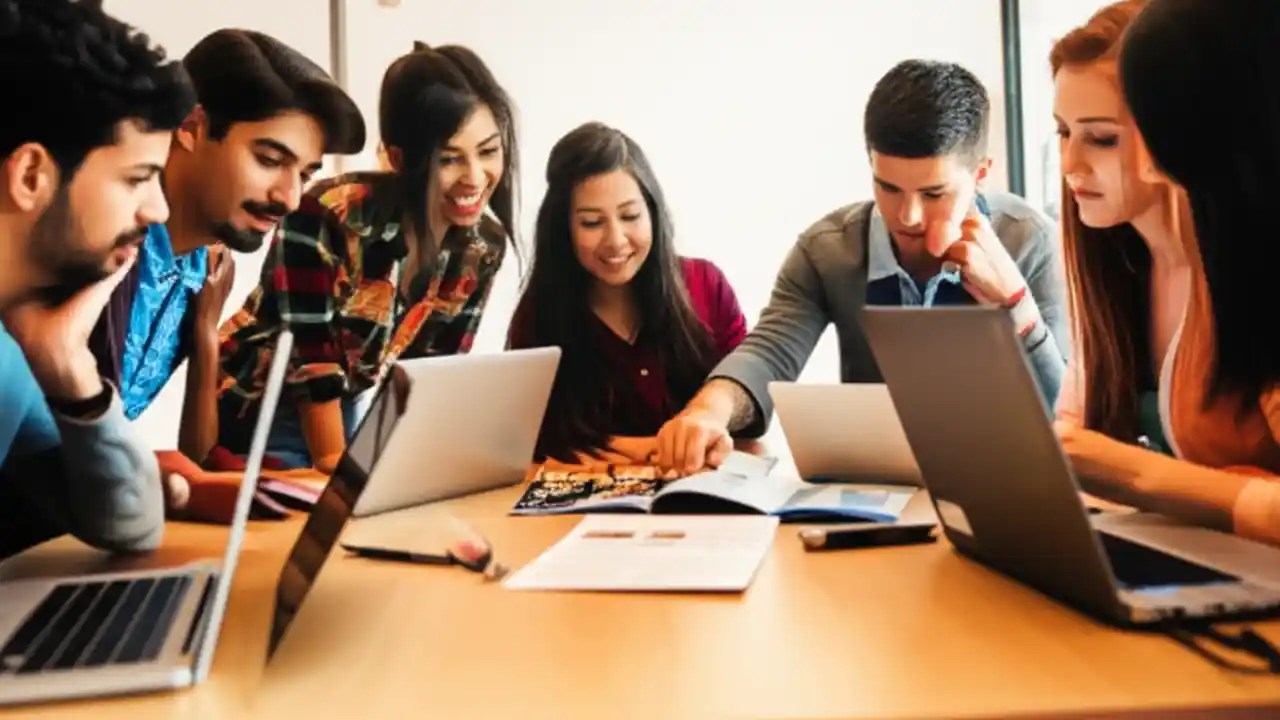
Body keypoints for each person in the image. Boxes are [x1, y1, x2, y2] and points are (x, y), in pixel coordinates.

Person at [655, 59, 1069, 474]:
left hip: (1003, 482)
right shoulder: (826, 250)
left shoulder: (1030, 241)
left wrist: (1016, 305)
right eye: (887, 187)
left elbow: (1070, 417)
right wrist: (708, 412)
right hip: (878, 490)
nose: (907, 215)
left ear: (980, 174)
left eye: (933, 193)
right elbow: (769, 352)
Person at [218, 41, 519, 471]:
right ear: (400, 159)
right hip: (254, 407)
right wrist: (334, 466)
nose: (475, 177)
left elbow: (431, 375)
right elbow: (312, 360)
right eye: (449, 158)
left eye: (489, 151)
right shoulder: (329, 213)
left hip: (345, 403)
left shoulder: (481, 246)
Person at [88, 28, 366, 479]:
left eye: (306, 174)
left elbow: (196, 458)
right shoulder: (100, 236)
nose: (290, 197)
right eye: (270, 160)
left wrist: (205, 338)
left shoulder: (205, 265)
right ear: (192, 129)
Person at [1051, 0, 1280, 545]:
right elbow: (1076, 437)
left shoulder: (1251, 269)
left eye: (1103, 137)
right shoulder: (1112, 264)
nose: (1069, 167)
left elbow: (1104, 462)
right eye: (1062, 132)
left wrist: (1135, 475)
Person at [0, 0, 194, 555]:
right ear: (32, 174)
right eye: (138, 179)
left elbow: (127, 526)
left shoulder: (12, 351)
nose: (158, 210)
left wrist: (69, 369)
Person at [508, 122, 747, 463]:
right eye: (592, 223)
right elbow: (534, 437)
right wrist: (655, 449)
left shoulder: (705, 283)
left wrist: (708, 418)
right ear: (563, 230)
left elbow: (751, 395)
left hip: (706, 495)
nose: (616, 240)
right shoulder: (540, 313)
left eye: (630, 216)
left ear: (653, 213)